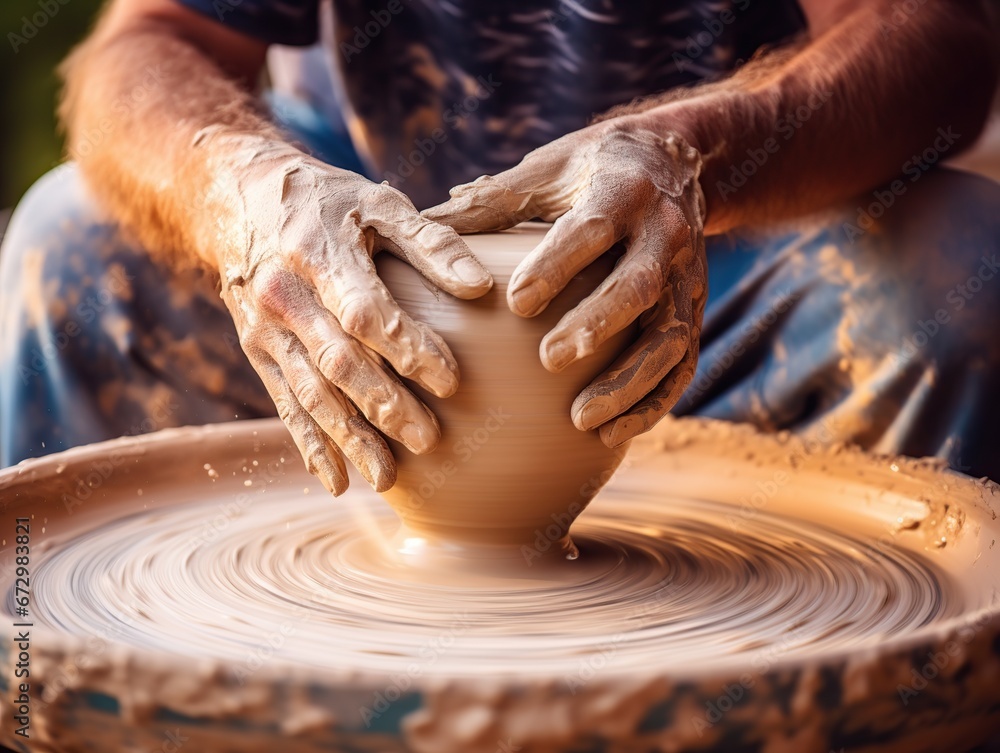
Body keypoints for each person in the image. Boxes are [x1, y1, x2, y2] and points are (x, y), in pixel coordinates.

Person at [1, 0, 998, 491]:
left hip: (713, 236)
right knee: (67, 249)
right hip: (350, 238)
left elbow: (934, 35)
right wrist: (247, 198)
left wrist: (689, 153)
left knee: (969, 270)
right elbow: (143, 45)